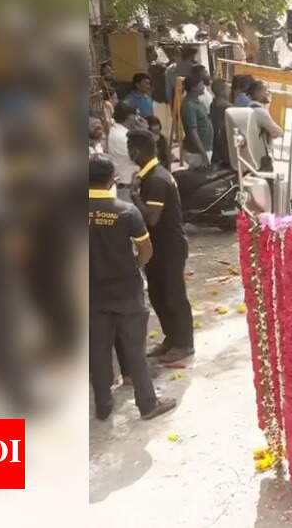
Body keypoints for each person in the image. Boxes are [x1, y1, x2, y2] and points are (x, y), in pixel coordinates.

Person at [88, 154, 177, 421]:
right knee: (134, 351)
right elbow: (146, 249)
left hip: (91, 293)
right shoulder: (127, 211)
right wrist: (133, 267)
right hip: (126, 291)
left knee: (98, 350)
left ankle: (103, 405)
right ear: (111, 180)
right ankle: (147, 404)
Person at [127, 130, 195, 363]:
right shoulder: (150, 175)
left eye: (130, 148)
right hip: (158, 247)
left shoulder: (156, 179)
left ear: (135, 151)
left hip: (169, 247)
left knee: (173, 295)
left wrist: (134, 195)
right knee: (158, 294)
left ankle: (184, 343)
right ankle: (171, 338)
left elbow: (152, 218)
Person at [108, 101, 143, 200]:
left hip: (127, 186)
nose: (139, 118)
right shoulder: (123, 136)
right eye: (136, 114)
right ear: (129, 116)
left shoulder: (118, 131)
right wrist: (144, 130)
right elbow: (142, 157)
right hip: (126, 188)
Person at [248, 80, 284, 170]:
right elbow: (277, 132)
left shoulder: (250, 107)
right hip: (262, 159)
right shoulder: (260, 112)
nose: (268, 92)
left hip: (255, 156)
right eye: (265, 90)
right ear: (257, 92)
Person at [179, 76, 213, 168]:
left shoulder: (196, 101)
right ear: (194, 88)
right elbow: (193, 133)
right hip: (197, 152)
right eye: (201, 85)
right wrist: (203, 154)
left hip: (203, 149)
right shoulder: (189, 106)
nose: (203, 87)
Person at [209, 78, 233, 169]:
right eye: (228, 88)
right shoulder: (227, 106)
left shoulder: (213, 103)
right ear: (222, 91)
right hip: (223, 141)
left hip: (214, 139)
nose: (230, 90)